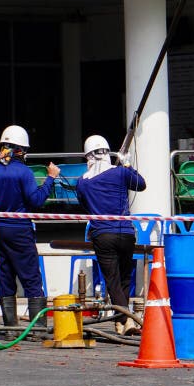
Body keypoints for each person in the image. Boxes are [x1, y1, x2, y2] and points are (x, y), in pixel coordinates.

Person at [0, 125, 59, 340]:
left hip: (0, 228)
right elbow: (36, 200)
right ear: (20, 150)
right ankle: (36, 330)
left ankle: (11, 328)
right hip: (20, 230)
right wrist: (51, 178)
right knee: (31, 278)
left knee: (7, 276)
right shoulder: (24, 172)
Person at [75, 135, 146, 335]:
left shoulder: (82, 182)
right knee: (124, 278)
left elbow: (84, 207)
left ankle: (126, 320)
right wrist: (128, 164)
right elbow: (140, 184)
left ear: (88, 156)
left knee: (112, 280)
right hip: (125, 233)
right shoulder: (121, 173)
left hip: (102, 234)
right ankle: (122, 321)